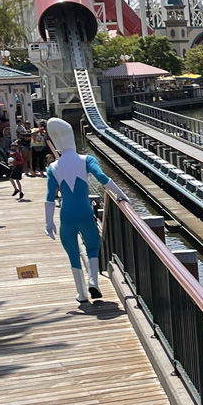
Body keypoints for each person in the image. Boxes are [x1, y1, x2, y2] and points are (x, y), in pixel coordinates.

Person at [44, 117, 128, 303]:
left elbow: (50, 198)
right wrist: (122, 195)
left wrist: (48, 223)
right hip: (84, 212)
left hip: (66, 215)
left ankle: (81, 294)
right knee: (92, 246)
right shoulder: (86, 159)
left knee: (72, 252)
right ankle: (93, 282)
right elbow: (102, 178)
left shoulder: (52, 168)